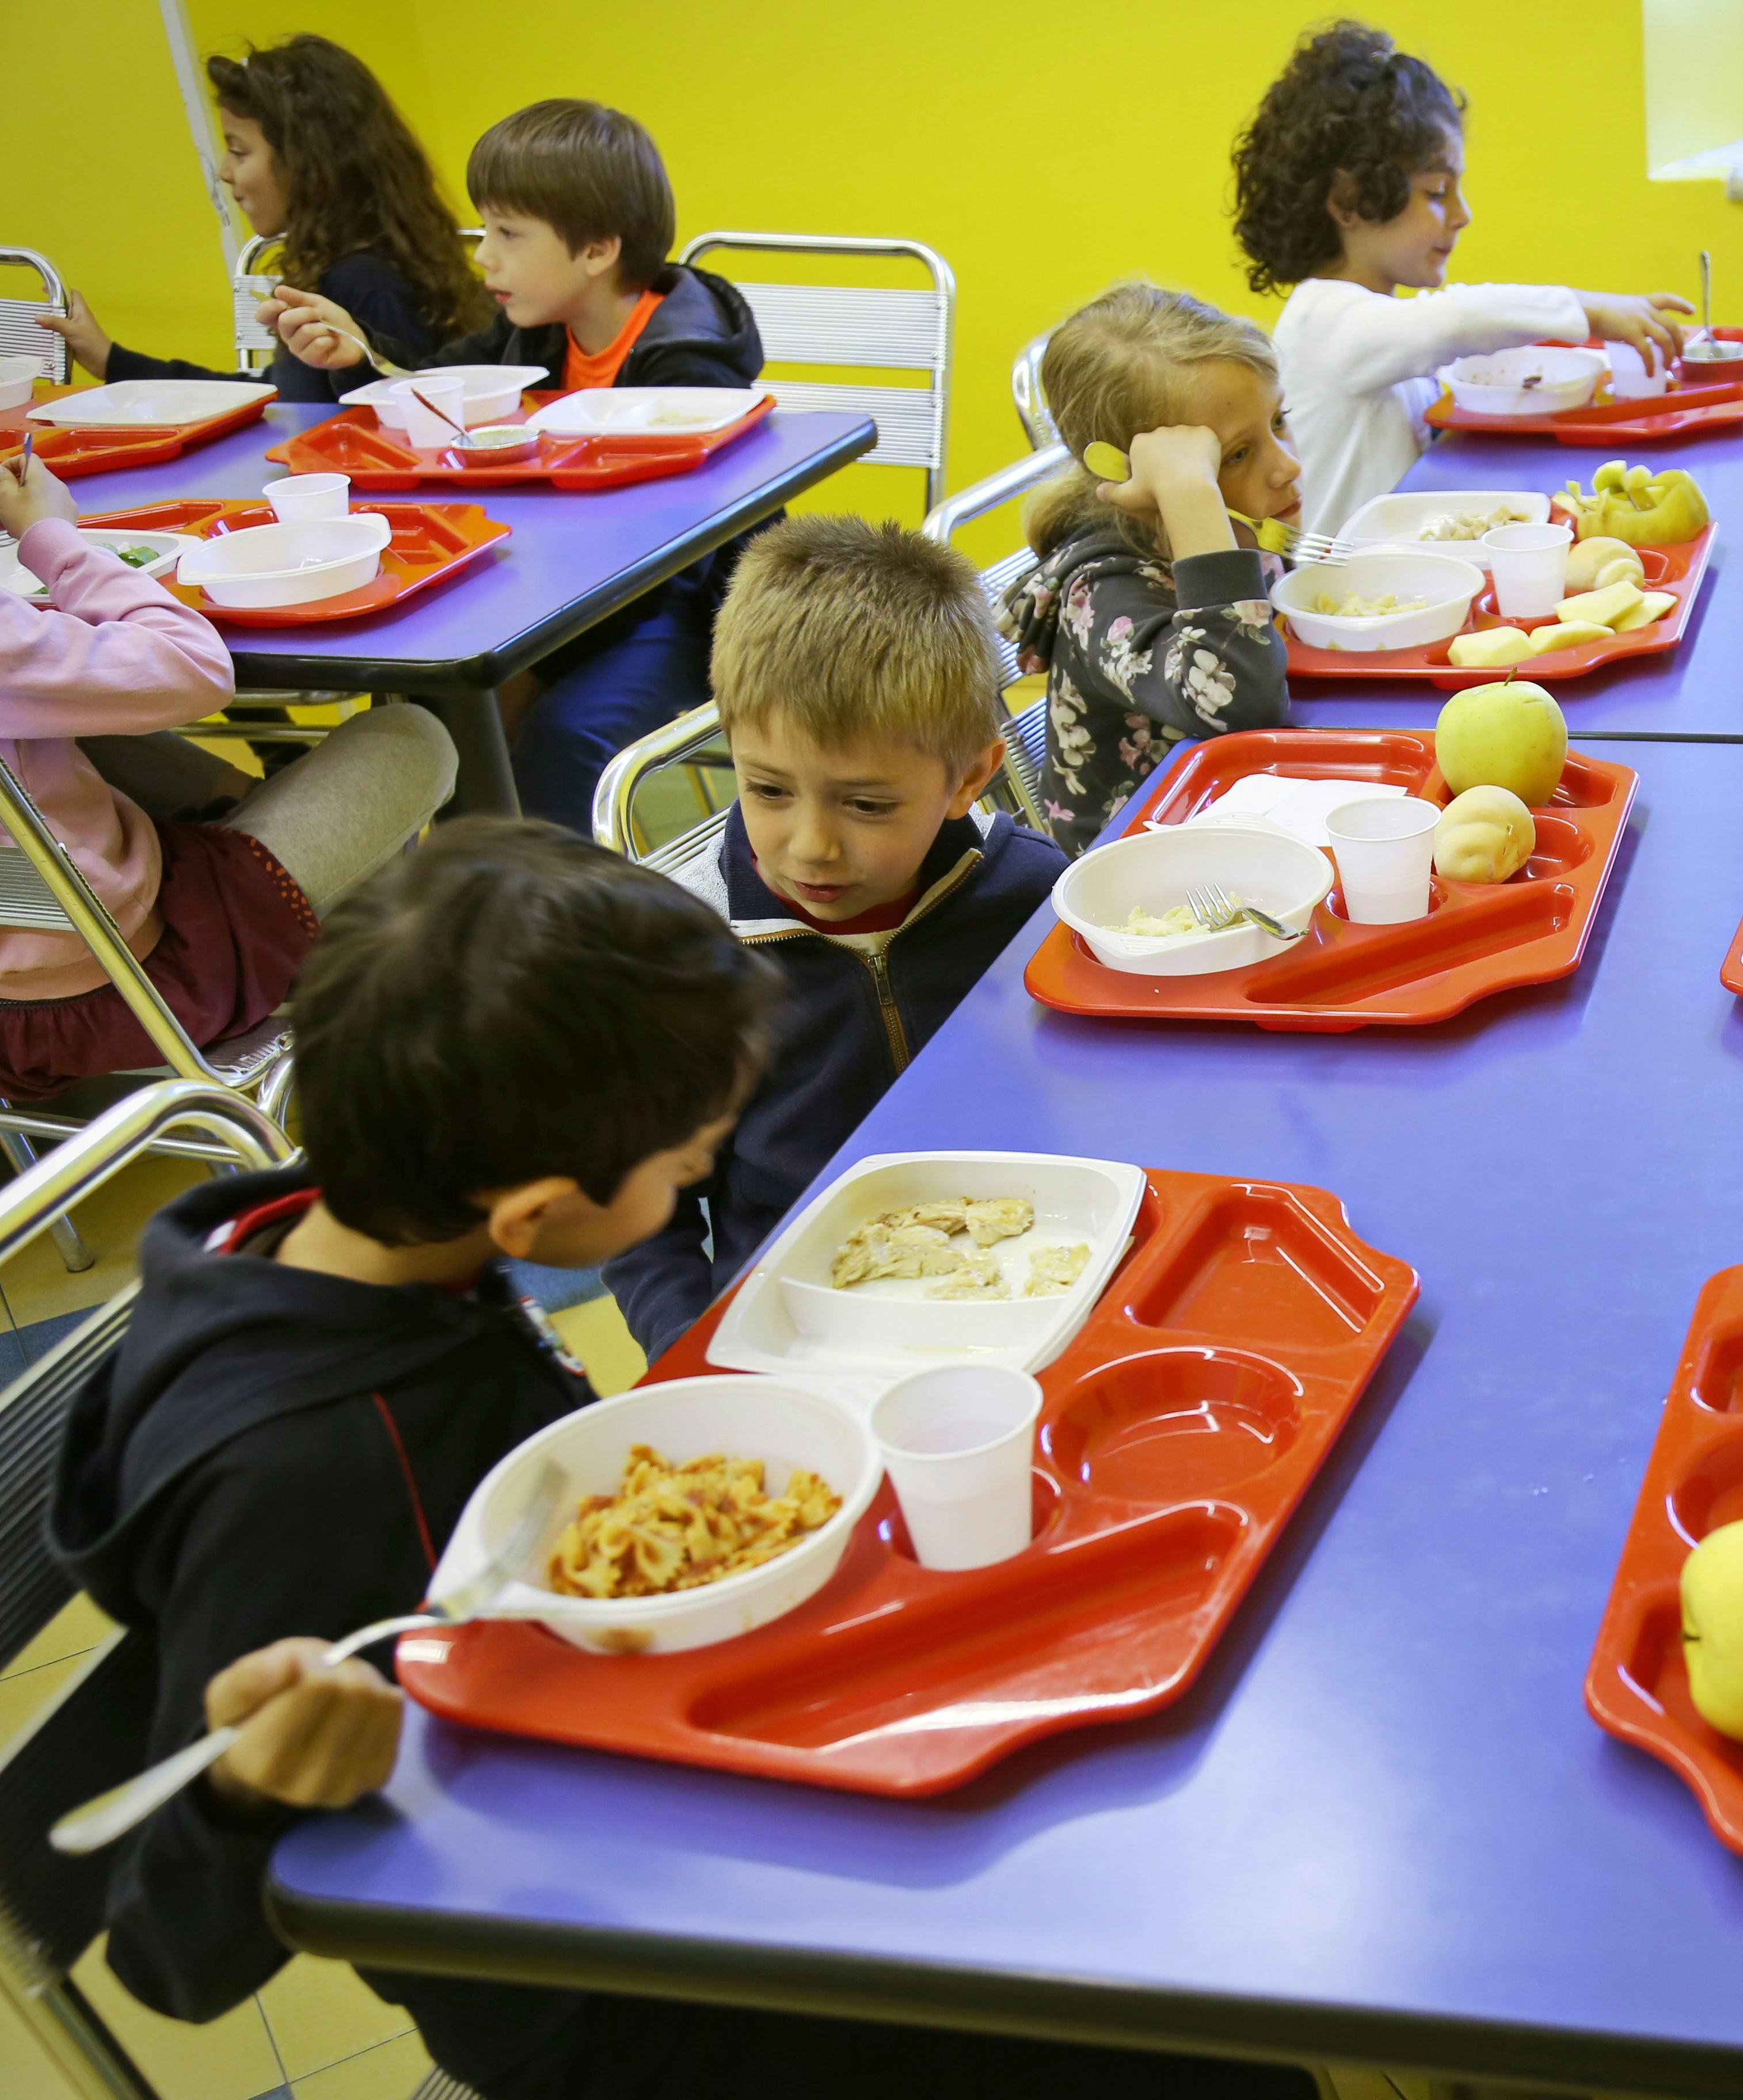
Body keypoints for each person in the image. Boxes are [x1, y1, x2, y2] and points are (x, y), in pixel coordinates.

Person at [47, 821, 1311, 2100]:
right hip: (614, 1984)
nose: (706, 1171)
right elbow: (170, 1961)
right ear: (537, 1219)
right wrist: (250, 1794)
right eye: (688, 1167)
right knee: (1173, 2011)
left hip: (637, 1763)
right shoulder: (302, 1476)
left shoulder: (322, 1223)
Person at [607, 517, 1066, 1359]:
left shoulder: (1033, 897)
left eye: (866, 805)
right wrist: (686, 1346)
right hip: (797, 1325)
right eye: (770, 790)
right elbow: (641, 1216)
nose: (812, 845)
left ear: (968, 777)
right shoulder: (678, 961)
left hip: (1026, 1286)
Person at [271, 98, 762, 831]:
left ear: (596, 250)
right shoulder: (534, 335)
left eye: (507, 233)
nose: (482, 256)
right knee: (427, 708)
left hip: (675, 615)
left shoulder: (686, 366)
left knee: (563, 735)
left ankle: (556, 925)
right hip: (559, 601)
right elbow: (431, 391)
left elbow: (684, 558)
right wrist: (359, 357)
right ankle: (463, 892)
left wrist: (529, 656)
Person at [0, 450, 455, 1097]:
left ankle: (265, 838)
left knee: (79, 728)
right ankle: (390, 979)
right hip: (127, 987)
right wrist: (53, 538)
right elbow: (193, 668)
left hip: (29, 964)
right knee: (411, 737)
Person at [1234, 19, 1693, 535]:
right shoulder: (1322, 319)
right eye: (1436, 191)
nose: (1463, 214)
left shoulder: (1380, 329)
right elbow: (1455, 322)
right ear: (1349, 201)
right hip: (1347, 599)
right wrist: (1591, 310)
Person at [1002, 281, 1295, 855]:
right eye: (1235, 454)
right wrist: (1191, 492)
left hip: (1243, 817)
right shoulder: (1103, 593)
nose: (1286, 466)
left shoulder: (1237, 528)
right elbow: (1240, 705)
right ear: (1132, 473)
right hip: (1142, 873)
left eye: (1279, 421)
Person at [46, 37, 488, 405]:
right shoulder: (347, 268)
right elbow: (276, 396)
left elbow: (394, 419)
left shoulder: (365, 284)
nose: (223, 170)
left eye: (239, 151)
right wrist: (115, 363)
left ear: (307, 163)